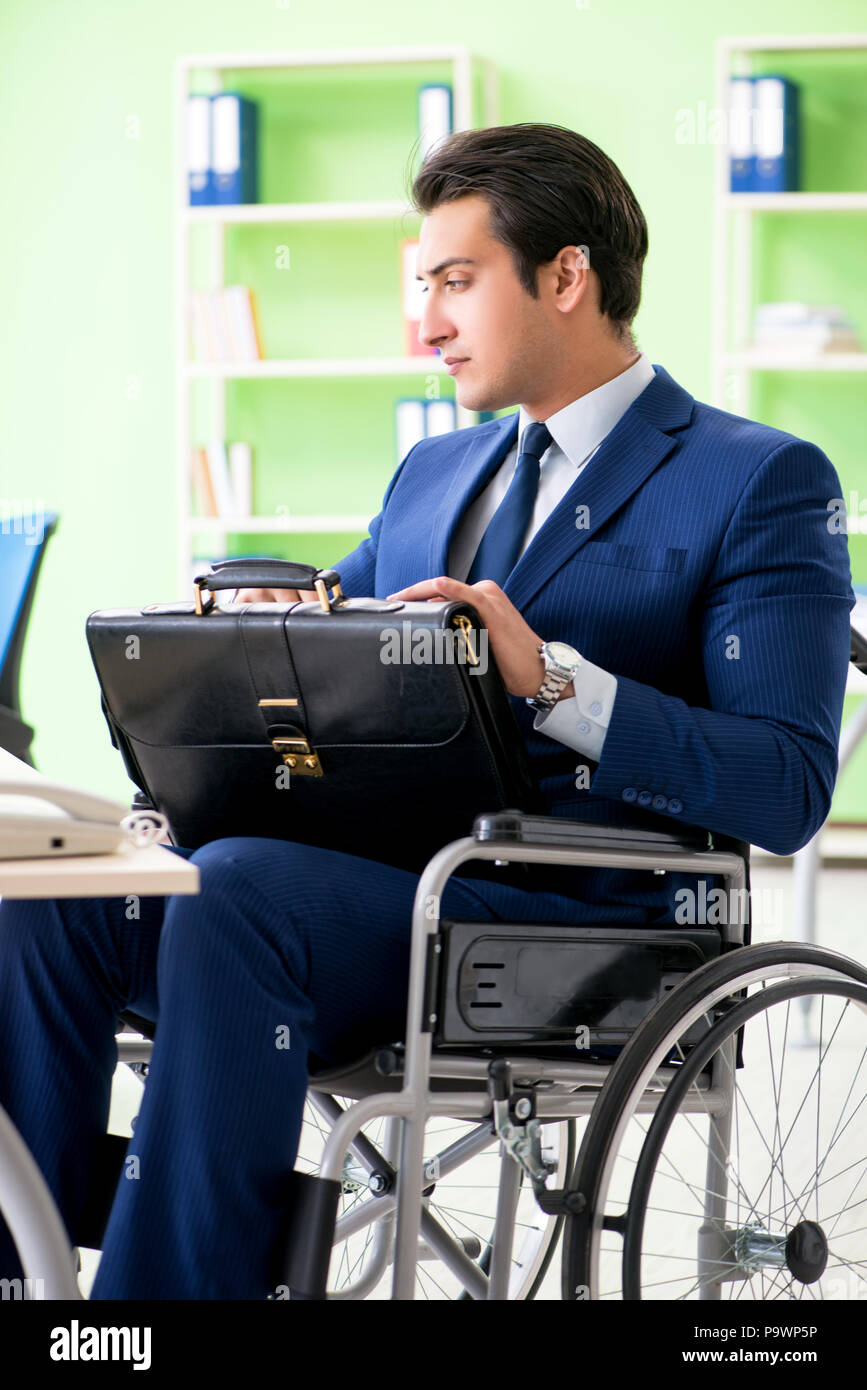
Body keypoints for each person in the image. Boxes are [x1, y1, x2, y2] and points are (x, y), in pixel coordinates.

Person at [0, 124, 854, 1298]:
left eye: (455, 281)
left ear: (567, 276)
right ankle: (31, 1277)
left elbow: (787, 782)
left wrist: (550, 681)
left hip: (569, 916)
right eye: (424, 286)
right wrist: (251, 624)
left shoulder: (759, 478)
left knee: (236, 890)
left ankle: (149, 1316)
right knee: (51, 903)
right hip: (371, 886)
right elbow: (345, 640)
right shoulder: (433, 475)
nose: (427, 321)